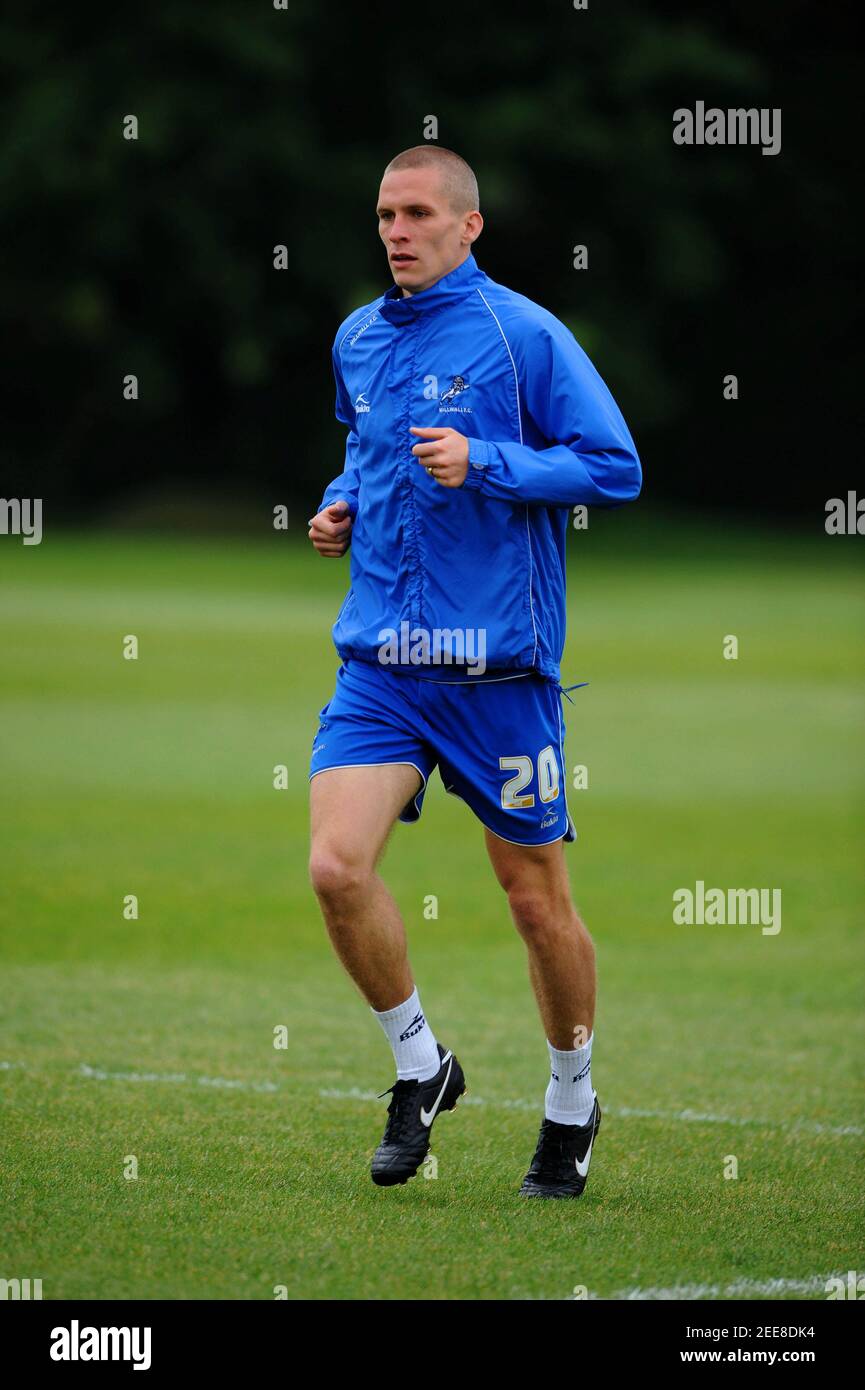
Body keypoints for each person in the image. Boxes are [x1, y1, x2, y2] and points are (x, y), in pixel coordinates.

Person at [307, 145, 640, 1196]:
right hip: (382, 664)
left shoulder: (524, 334)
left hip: (496, 676)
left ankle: (572, 1096)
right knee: (335, 867)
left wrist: (488, 461)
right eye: (383, 215)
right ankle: (420, 1066)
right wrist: (338, 504)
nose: (396, 232)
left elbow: (612, 465)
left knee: (536, 905)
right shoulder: (357, 336)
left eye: (415, 213)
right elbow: (364, 452)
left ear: (468, 225)